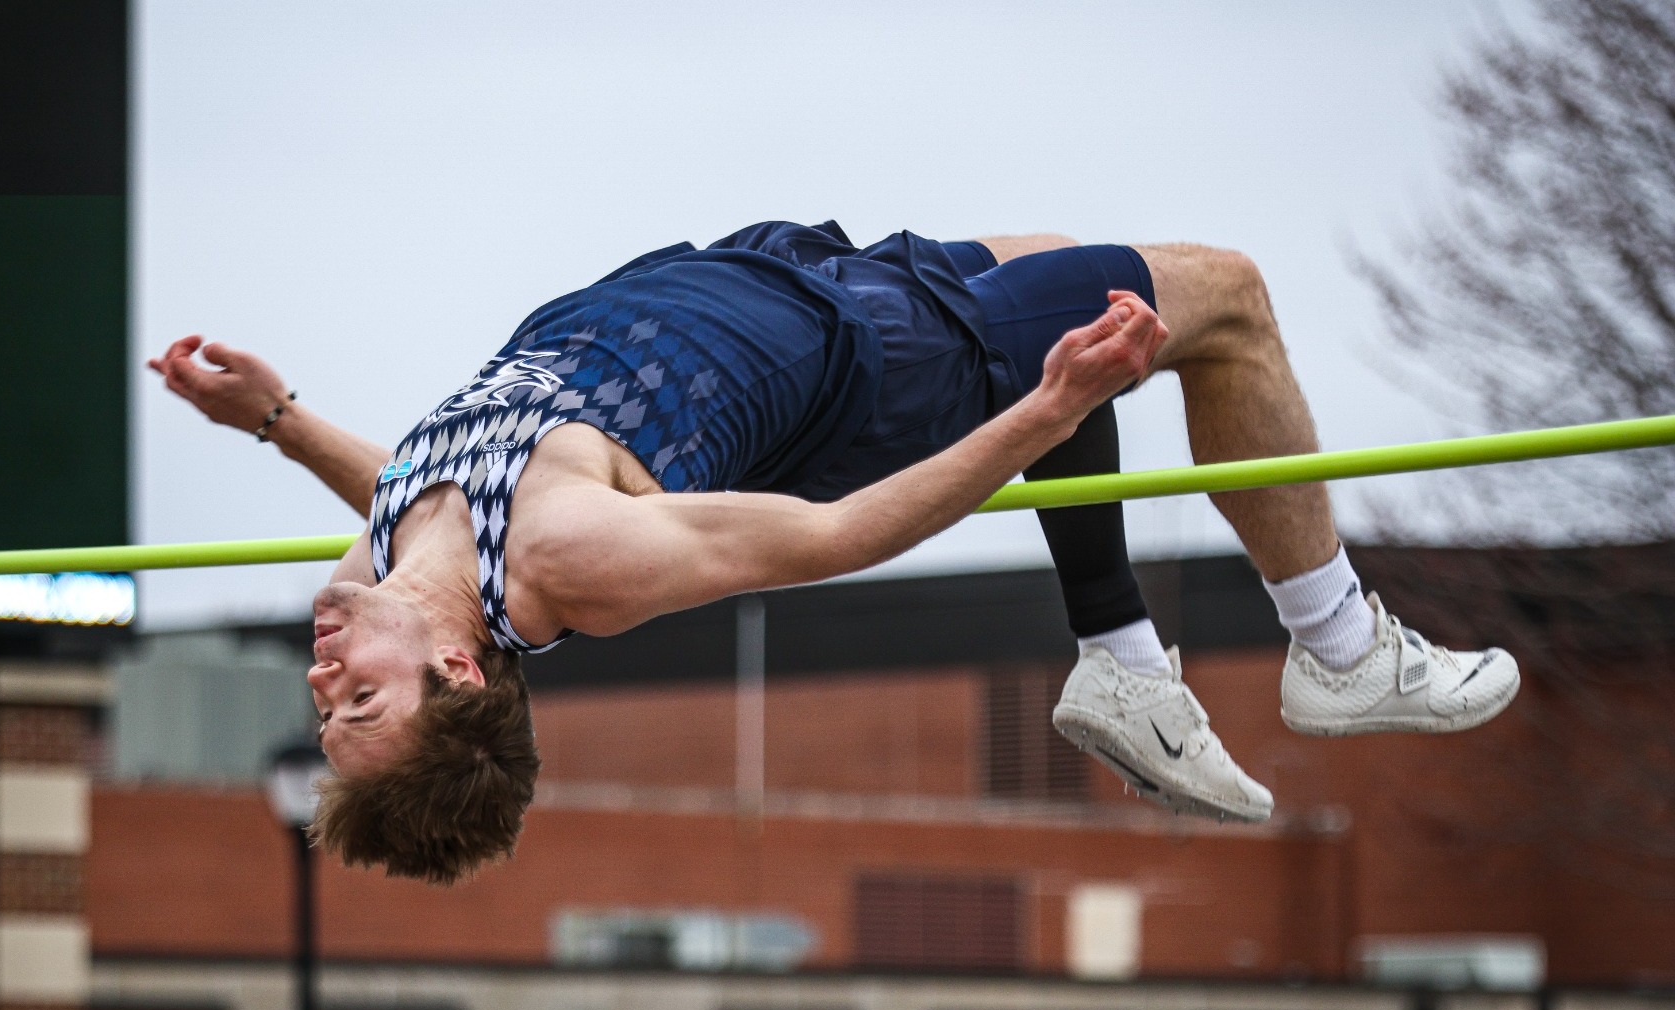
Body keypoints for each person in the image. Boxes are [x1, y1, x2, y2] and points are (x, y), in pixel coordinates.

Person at [154, 221, 1522, 882]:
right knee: (1223, 296)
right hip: (866, 366)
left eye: (324, 704)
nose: (326, 672)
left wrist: (273, 419)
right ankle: (1339, 648)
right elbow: (838, 535)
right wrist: (1051, 408)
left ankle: (1122, 665)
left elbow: (400, 477)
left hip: (790, 278)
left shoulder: (394, 553)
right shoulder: (573, 560)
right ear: (460, 669)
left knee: (1098, 266)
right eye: (362, 703)